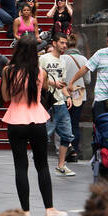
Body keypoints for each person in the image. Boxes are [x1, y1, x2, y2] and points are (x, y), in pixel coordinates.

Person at [2, 35, 66, 216]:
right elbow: (45, 89)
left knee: (20, 167)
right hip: (37, 118)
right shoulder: (41, 71)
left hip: (16, 119)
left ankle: (25, 212)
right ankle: (49, 209)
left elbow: (6, 97)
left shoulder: (8, 71)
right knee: (42, 165)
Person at [40, 33, 76, 177]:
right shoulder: (43, 59)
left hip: (61, 103)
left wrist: (68, 97)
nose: (64, 45)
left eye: (65, 43)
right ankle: (41, 165)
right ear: (54, 43)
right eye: (61, 42)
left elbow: (63, 83)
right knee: (44, 136)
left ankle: (61, 165)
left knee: (67, 135)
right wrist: (52, 83)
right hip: (48, 103)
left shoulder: (63, 61)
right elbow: (36, 78)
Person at [67, 30, 108, 119]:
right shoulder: (100, 53)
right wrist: (72, 81)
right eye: (107, 41)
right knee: (100, 128)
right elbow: (85, 68)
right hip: (101, 98)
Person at [62, 33, 89, 161]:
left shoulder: (62, 59)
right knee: (75, 123)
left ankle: (66, 149)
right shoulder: (84, 59)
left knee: (64, 122)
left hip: (65, 94)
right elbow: (88, 80)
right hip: (80, 95)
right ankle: (75, 151)